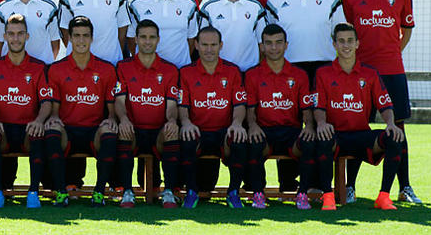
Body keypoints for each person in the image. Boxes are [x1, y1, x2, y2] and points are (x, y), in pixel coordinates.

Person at [340, 0, 419, 204]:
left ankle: (404, 187)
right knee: (357, 126)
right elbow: (350, 32)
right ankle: (349, 187)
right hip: (361, 72)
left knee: (398, 128)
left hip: (393, 70)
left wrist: (393, 51)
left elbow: (406, 30)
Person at [313, 23, 406, 211]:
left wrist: (390, 124)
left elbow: (385, 104)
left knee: (395, 137)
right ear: (334, 44)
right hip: (336, 135)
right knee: (322, 138)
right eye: (341, 41)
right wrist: (321, 123)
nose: (345, 45)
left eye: (349, 41)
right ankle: (328, 197)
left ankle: (383, 197)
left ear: (357, 44)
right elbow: (318, 105)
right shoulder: (323, 73)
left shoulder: (370, 73)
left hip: (362, 135)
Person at [43, 16, 119, 207]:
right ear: (69, 38)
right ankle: (61, 192)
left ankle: (99, 192)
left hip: (94, 130)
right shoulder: (56, 69)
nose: (81, 40)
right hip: (67, 129)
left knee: (110, 131)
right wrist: (53, 118)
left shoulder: (106, 69)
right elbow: (54, 109)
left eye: (85, 35)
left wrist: (111, 119)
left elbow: (111, 109)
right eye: (76, 35)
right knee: (52, 130)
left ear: (92, 38)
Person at [244, 24, 315, 210]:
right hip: (264, 131)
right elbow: (250, 110)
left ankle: (302, 194)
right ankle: (258, 193)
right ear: (262, 46)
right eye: (269, 43)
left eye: (278, 43)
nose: (273, 48)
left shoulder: (299, 75)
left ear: (286, 45)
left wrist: (308, 127)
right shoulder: (252, 75)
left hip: (291, 131)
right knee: (253, 142)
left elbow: (306, 109)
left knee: (309, 141)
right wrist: (252, 126)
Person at [0, 14, 52, 208]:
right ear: (4, 36)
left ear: (27, 37)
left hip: (28, 127)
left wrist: (39, 120)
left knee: (39, 133)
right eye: (11, 34)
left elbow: (46, 101)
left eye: (20, 34)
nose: (15, 38)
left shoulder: (38, 67)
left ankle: (33, 193)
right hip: (2, 127)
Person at [177, 26, 248, 209]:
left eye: (213, 45)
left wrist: (237, 123)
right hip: (198, 130)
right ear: (196, 45)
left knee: (239, 137)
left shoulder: (233, 71)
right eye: (205, 44)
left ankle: (233, 192)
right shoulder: (186, 72)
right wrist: (185, 122)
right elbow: (183, 105)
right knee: (186, 136)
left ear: (221, 45)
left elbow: (239, 104)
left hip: (223, 131)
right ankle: (191, 192)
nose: (209, 49)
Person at [113, 19, 181, 209]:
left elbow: (171, 104)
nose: (147, 41)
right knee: (123, 130)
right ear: (136, 39)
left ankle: (168, 191)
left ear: (158, 40)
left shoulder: (170, 69)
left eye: (152, 37)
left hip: (158, 131)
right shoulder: (123, 67)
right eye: (143, 37)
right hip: (134, 129)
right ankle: (127, 191)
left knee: (172, 131)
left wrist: (171, 120)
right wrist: (124, 119)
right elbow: (119, 101)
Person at [265, 0, 345, 84]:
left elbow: (341, 36)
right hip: (288, 69)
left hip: (325, 67)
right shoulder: (274, 2)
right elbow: (268, 41)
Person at [198, 0, 267, 72]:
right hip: (219, 73)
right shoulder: (209, 8)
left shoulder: (256, 8)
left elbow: (263, 45)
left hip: (249, 72)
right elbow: (202, 45)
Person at [127, 0, 199, 68]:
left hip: (179, 70)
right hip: (147, 71)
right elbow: (131, 40)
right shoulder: (137, 5)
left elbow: (191, 40)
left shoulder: (189, 5)